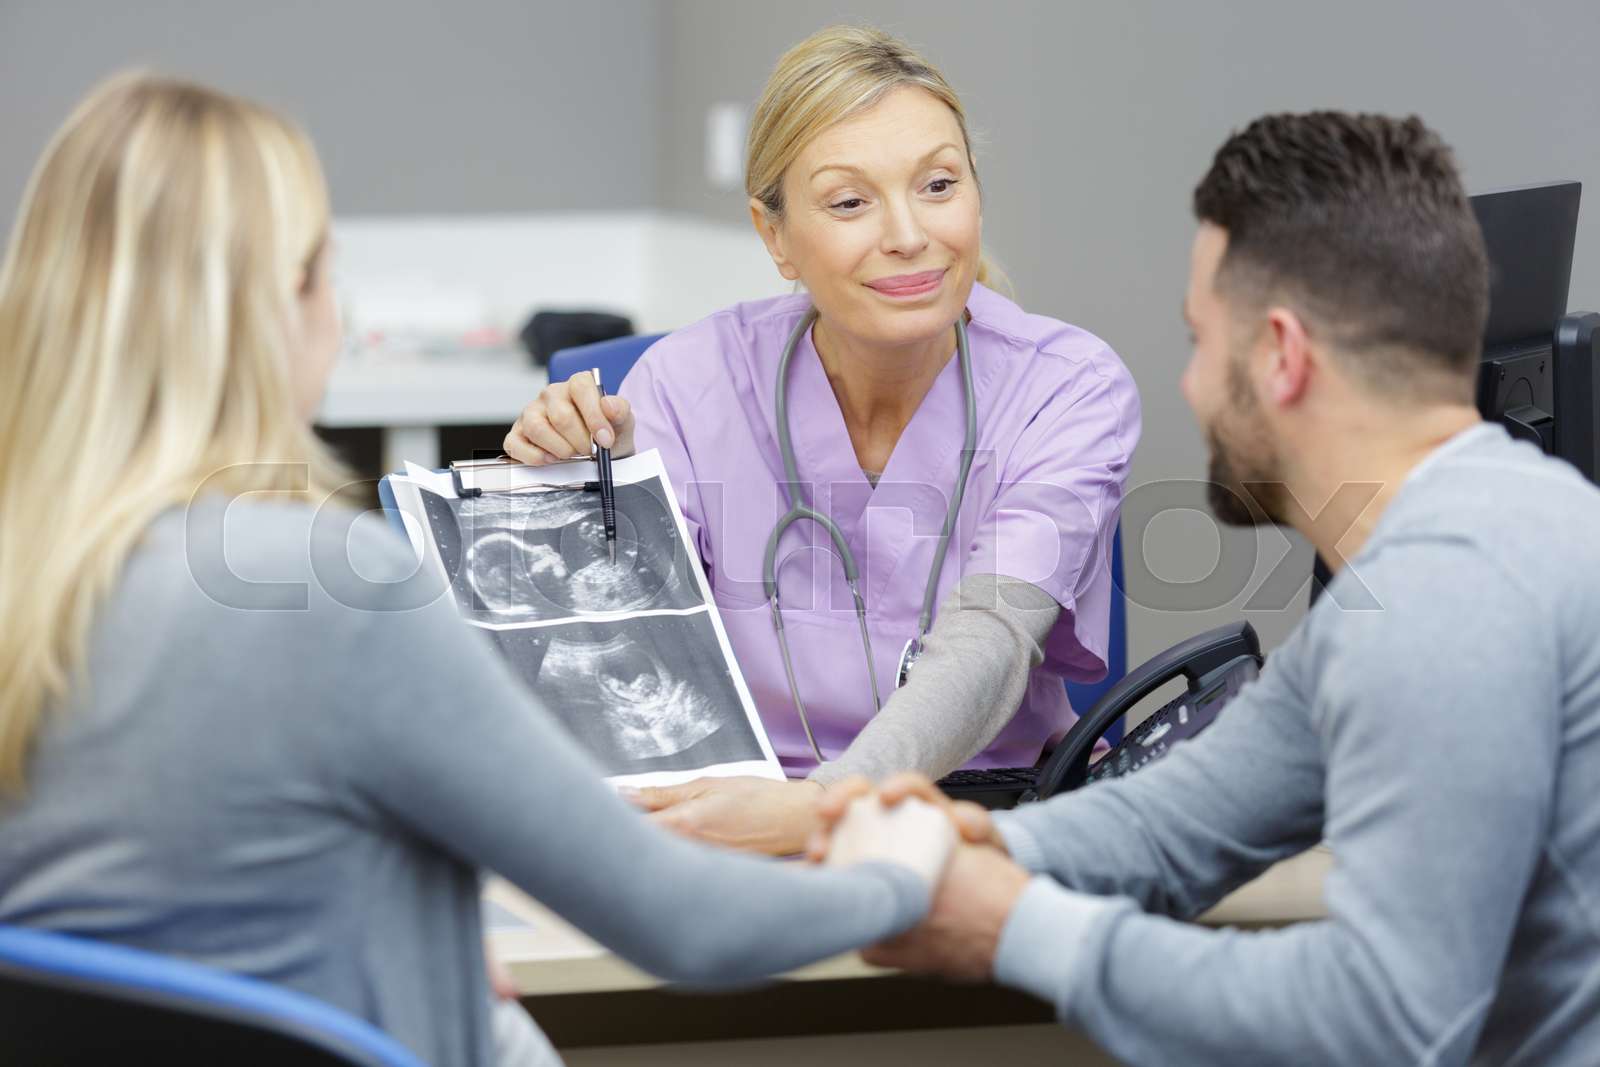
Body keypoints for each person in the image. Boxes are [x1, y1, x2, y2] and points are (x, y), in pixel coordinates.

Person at [0, 74, 956, 1067]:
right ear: (282, 305)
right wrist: (912, 862)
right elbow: (688, 924)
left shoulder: (30, 565)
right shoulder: (331, 585)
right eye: (325, 268)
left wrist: (400, 938)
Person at [810, 111, 1600, 1064]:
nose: (1187, 386)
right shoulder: (1445, 554)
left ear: (1280, 354)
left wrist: (1017, 925)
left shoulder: (1448, 594)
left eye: (1199, 342)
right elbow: (1174, 823)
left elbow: (1383, 1026)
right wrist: (971, 845)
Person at [507, 25, 1140, 854]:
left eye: (939, 185)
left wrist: (819, 811)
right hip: (719, 822)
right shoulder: (688, 382)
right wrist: (593, 488)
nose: (909, 233)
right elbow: (620, 659)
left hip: (976, 825)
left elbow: (990, 642)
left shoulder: (1068, 387)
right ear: (775, 238)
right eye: (850, 201)